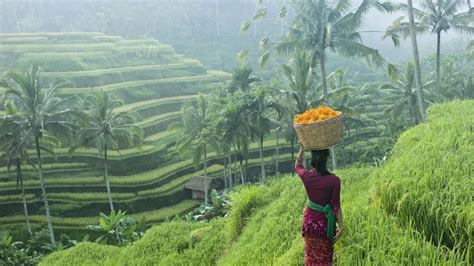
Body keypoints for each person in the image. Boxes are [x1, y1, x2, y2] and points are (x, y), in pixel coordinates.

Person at [295, 140, 343, 265]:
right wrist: (341, 226)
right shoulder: (334, 180)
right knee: (324, 259)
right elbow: (336, 206)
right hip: (324, 227)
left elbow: (297, 166)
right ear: (326, 159)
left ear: (313, 160)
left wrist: (302, 149)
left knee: (311, 258)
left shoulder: (307, 176)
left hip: (310, 225)